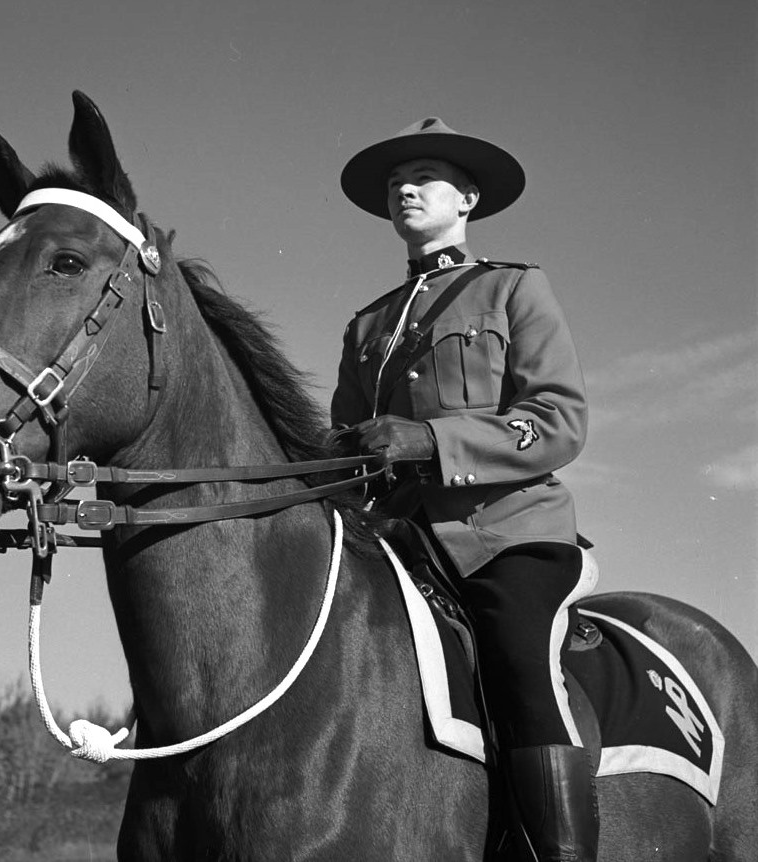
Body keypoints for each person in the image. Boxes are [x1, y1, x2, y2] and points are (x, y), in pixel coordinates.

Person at [331, 117, 598, 861]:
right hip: (403, 543)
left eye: (422, 179)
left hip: (507, 535)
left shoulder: (515, 288)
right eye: (394, 183)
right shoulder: (367, 327)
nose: (404, 190)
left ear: (468, 198)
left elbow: (559, 420)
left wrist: (432, 441)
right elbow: (346, 447)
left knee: (514, 655)